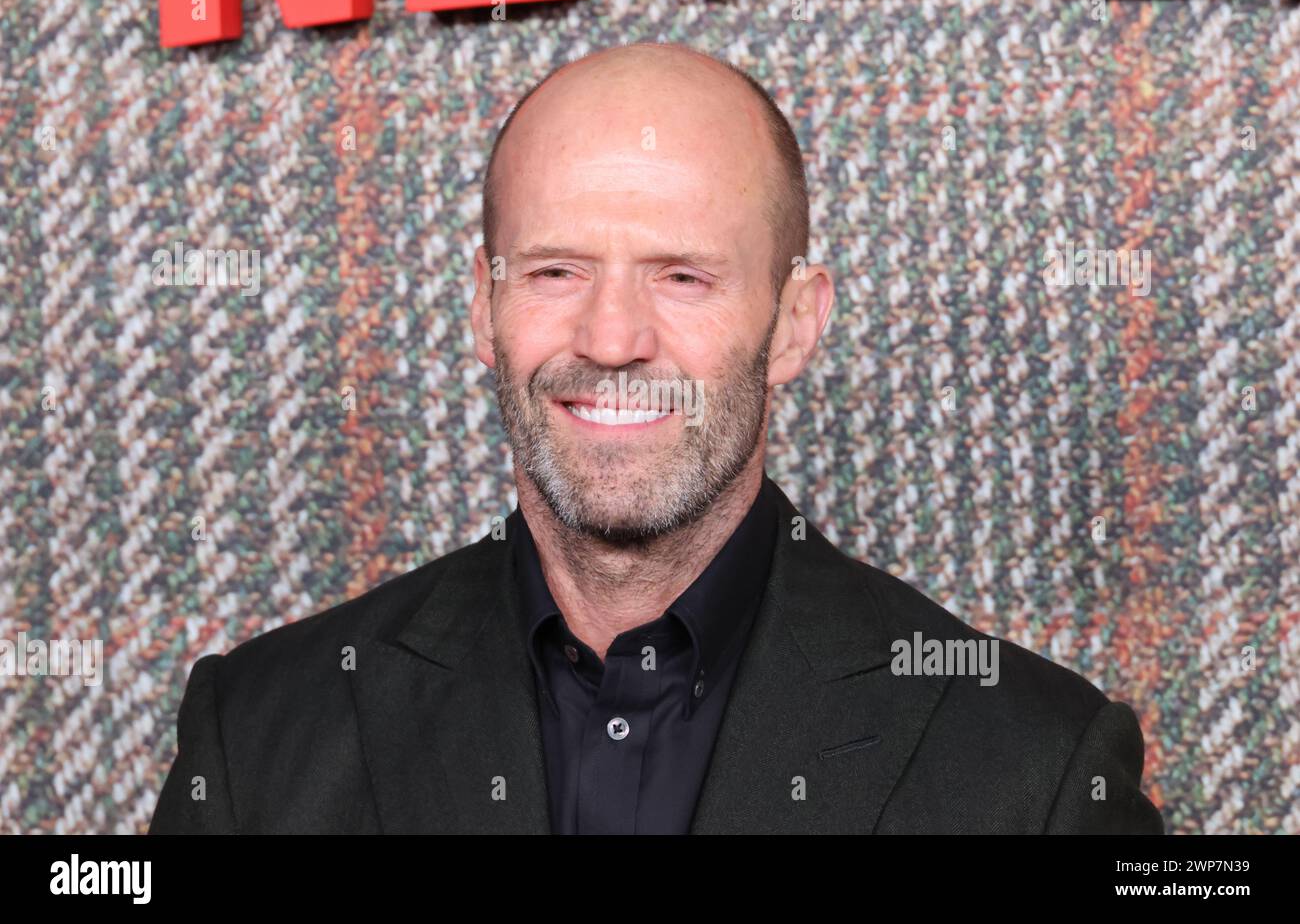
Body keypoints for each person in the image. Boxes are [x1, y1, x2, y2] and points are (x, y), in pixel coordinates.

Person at [150, 41, 1163, 834]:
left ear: (797, 322)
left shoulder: (1036, 769)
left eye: (683, 275)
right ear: (481, 308)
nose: (611, 338)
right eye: (555, 270)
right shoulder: (255, 735)